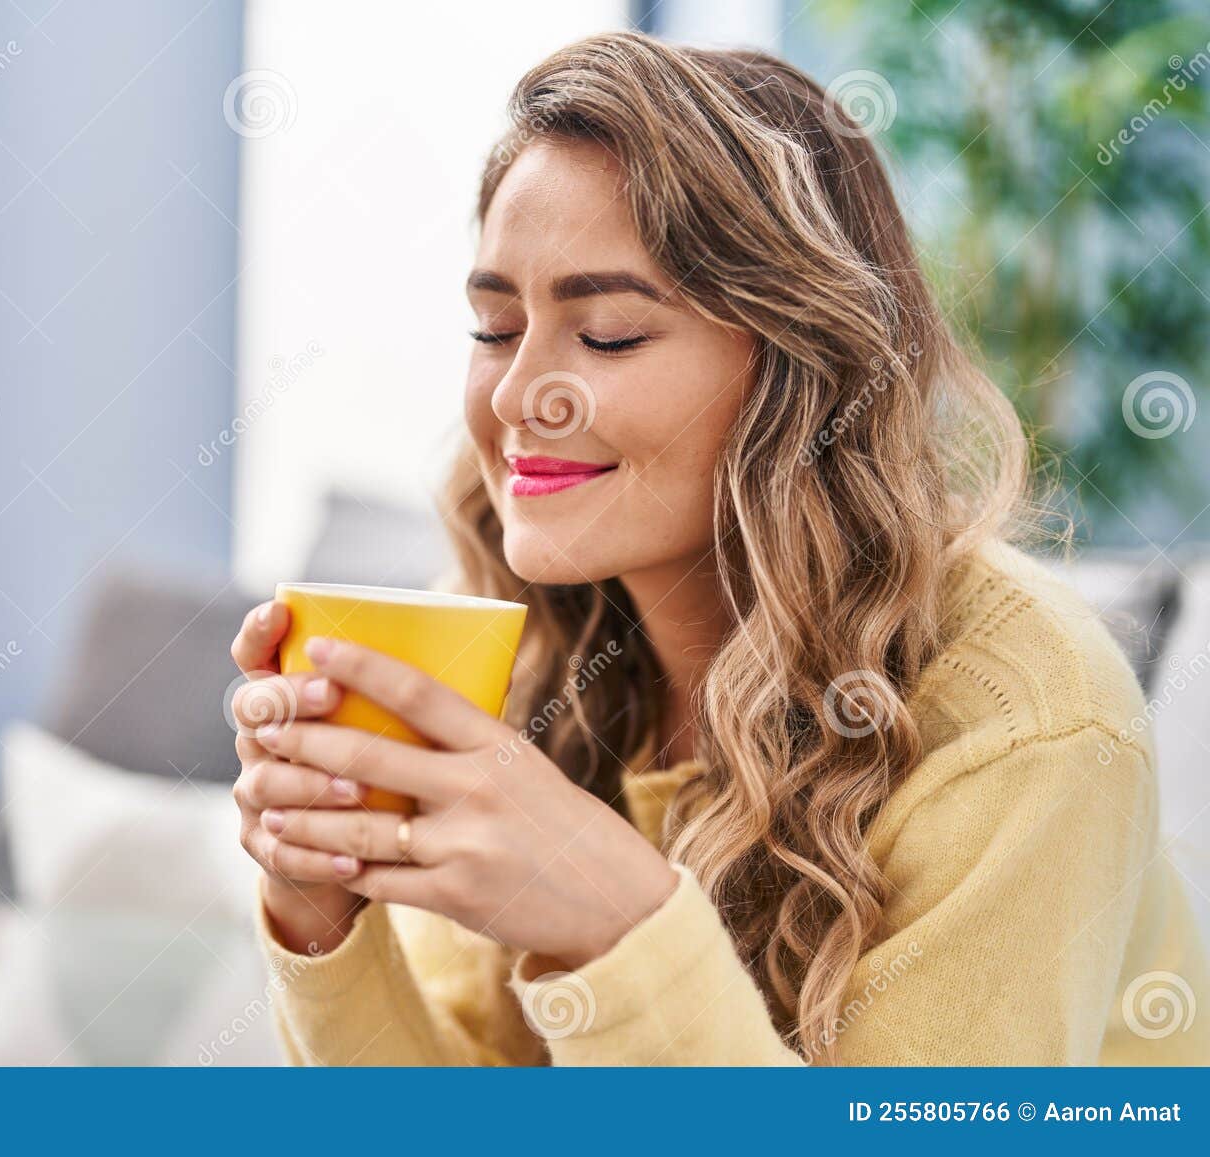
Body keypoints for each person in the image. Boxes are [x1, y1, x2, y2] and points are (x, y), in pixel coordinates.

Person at [226, 31, 1207, 1065]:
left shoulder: (1028, 722)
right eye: (495, 328)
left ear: (800, 369)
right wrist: (318, 910)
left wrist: (620, 929)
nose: (517, 395)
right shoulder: (531, 642)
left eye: (607, 332)